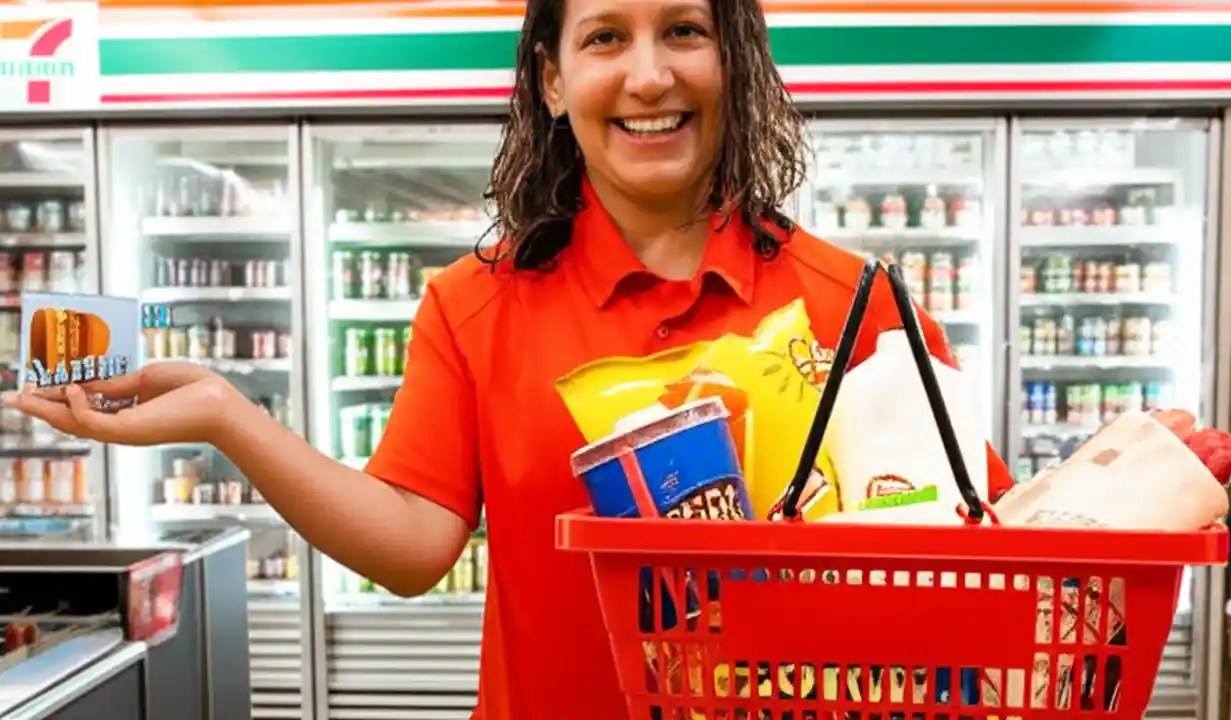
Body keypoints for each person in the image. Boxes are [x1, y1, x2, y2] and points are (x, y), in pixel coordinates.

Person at [6, 0, 1012, 717]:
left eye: (685, 31)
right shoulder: (474, 304)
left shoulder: (852, 305)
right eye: (605, 37)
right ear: (552, 76)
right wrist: (231, 415)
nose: (648, 74)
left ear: (733, 63)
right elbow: (412, 549)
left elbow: (994, 551)